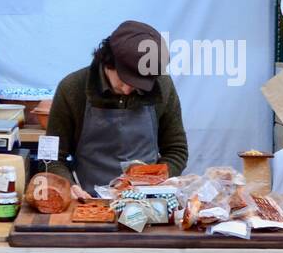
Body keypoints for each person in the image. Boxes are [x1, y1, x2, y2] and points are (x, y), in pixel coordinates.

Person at [44, 20, 188, 197]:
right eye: (125, 80)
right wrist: (69, 186)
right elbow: (50, 157)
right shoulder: (72, 88)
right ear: (108, 61)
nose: (128, 90)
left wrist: (157, 180)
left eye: (138, 86)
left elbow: (176, 150)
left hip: (146, 201)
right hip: (88, 201)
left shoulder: (162, 86)